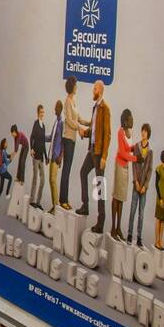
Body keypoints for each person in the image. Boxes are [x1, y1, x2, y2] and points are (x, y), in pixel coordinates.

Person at [75, 79, 110, 234]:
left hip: (99, 153)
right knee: (83, 172)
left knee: (100, 185)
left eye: (94, 89)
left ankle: (101, 222)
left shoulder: (105, 108)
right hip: (92, 150)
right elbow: (94, 130)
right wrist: (85, 132)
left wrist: (104, 157)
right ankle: (85, 206)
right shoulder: (95, 107)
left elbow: (107, 135)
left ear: (100, 90)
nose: (92, 92)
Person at [110, 108, 135, 240]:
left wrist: (134, 148)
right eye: (131, 118)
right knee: (116, 196)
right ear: (126, 120)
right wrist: (135, 158)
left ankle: (119, 227)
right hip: (120, 165)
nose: (133, 120)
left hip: (126, 167)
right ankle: (113, 227)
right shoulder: (120, 132)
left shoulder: (129, 132)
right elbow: (122, 153)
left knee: (122, 198)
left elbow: (127, 149)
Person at [127, 123, 153, 247]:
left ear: (148, 134)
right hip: (136, 184)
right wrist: (136, 181)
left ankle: (139, 238)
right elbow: (134, 165)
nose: (143, 133)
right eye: (142, 130)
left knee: (141, 213)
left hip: (144, 188)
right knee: (132, 210)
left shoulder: (150, 152)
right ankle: (129, 234)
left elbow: (150, 170)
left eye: (145, 131)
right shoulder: (136, 147)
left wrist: (145, 186)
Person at [59, 77, 82, 209]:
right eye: (76, 85)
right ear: (72, 86)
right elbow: (68, 120)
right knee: (66, 170)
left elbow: (78, 118)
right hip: (67, 139)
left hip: (73, 140)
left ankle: (65, 199)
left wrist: (87, 123)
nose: (77, 87)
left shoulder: (74, 101)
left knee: (68, 169)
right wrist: (79, 128)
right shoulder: (67, 101)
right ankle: (63, 200)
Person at [30, 105, 47, 209]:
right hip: (35, 156)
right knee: (35, 178)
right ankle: (32, 200)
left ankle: (38, 202)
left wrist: (46, 156)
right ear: (38, 113)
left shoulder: (44, 126)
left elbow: (43, 142)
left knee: (43, 180)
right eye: (41, 112)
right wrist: (31, 148)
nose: (42, 114)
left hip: (41, 157)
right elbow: (31, 136)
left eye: (43, 112)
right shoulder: (36, 124)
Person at [48, 100, 64, 210]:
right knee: (51, 181)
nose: (54, 109)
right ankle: (54, 206)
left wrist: (61, 156)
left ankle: (56, 207)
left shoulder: (62, 123)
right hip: (52, 156)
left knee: (53, 181)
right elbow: (51, 138)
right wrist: (40, 137)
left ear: (60, 109)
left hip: (57, 156)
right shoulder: (56, 122)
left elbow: (63, 141)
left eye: (56, 108)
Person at [0, 138, 12, 209]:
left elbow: (7, 156)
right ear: (3, 144)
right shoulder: (3, 152)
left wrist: (10, 155)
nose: (7, 144)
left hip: (1, 172)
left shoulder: (2, 151)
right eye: (6, 143)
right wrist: (11, 159)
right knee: (10, 178)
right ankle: (7, 194)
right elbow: (6, 162)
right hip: (4, 171)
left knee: (1, 189)